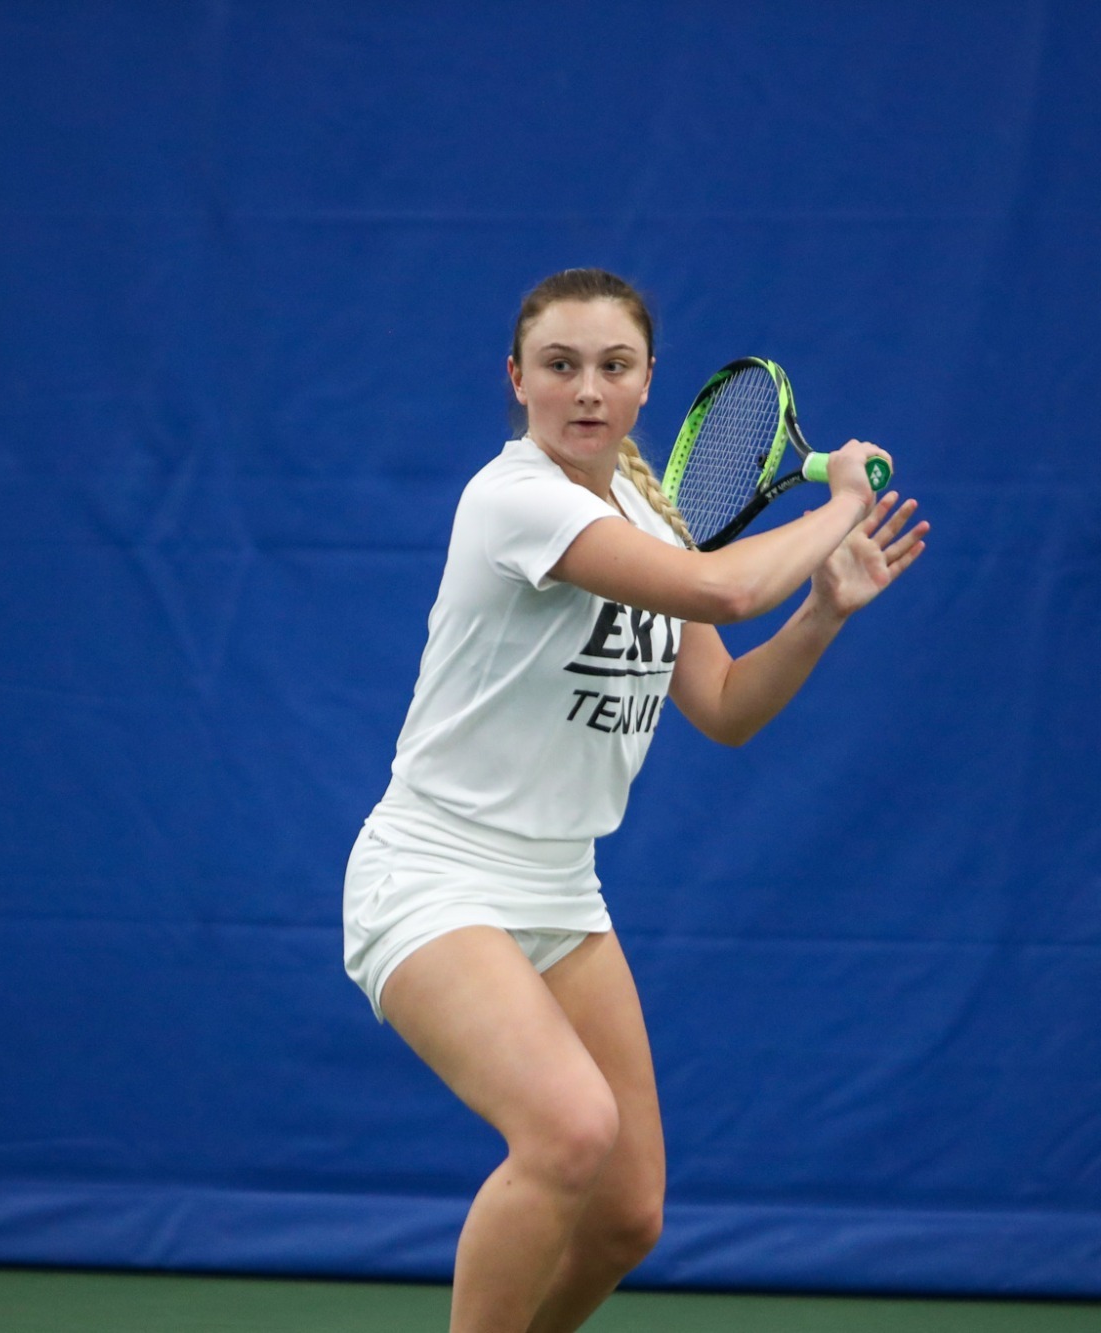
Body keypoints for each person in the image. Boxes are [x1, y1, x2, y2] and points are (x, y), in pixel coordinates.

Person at [342, 268, 929, 1332]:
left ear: (648, 381)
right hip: (430, 875)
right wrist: (840, 499)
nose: (585, 391)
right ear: (515, 379)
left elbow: (723, 702)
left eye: (612, 367)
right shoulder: (511, 498)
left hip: (561, 889)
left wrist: (823, 612)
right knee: (567, 1130)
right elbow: (724, 589)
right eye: (558, 366)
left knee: (625, 1214)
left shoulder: (652, 509)